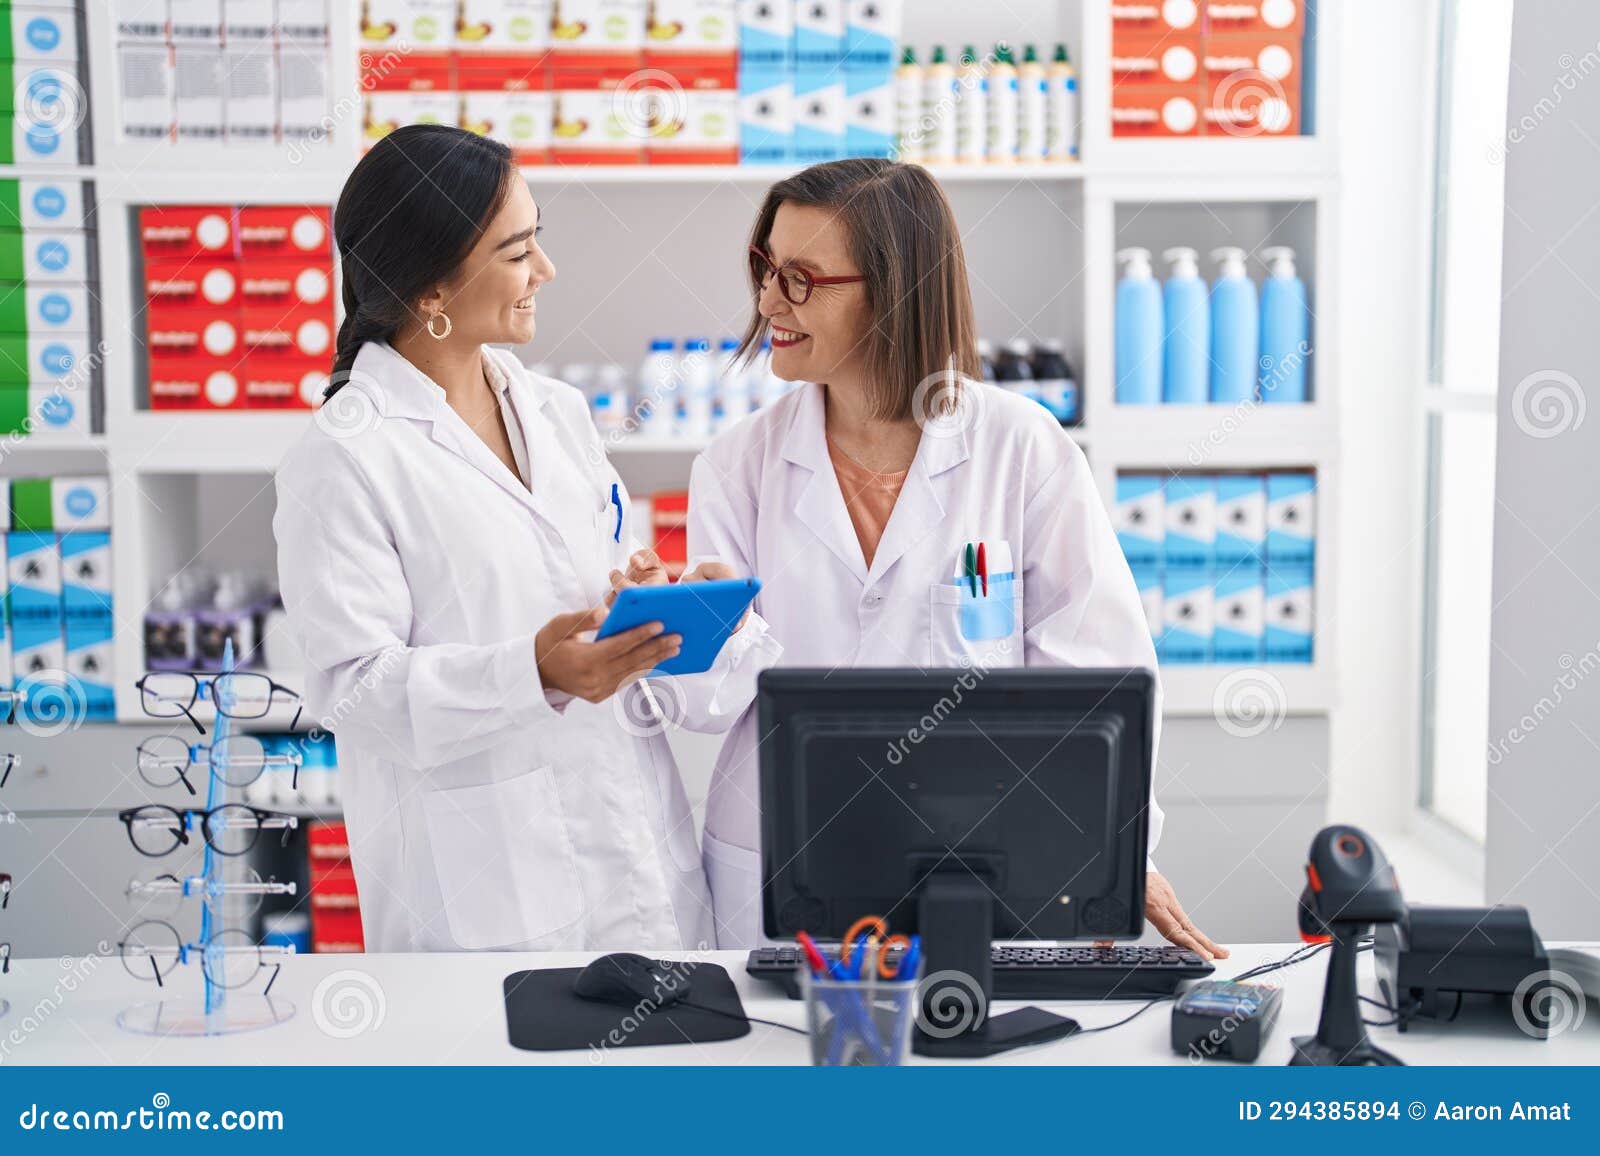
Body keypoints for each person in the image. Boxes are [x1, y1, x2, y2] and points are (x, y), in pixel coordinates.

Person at [688, 158, 1227, 960]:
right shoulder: (736, 467)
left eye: (800, 278)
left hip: (976, 855)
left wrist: (1112, 857)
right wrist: (691, 631)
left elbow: (1098, 677)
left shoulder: (1023, 448)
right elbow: (708, 704)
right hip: (779, 860)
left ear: (894, 290)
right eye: (765, 269)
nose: (768, 301)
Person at [273, 125, 776, 953]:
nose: (545, 270)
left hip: (641, 868)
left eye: (537, 238)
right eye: (517, 251)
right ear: (431, 288)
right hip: (489, 900)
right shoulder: (345, 455)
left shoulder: (557, 413)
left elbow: (592, 598)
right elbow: (353, 692)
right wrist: (529, 673)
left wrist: (656, 603)